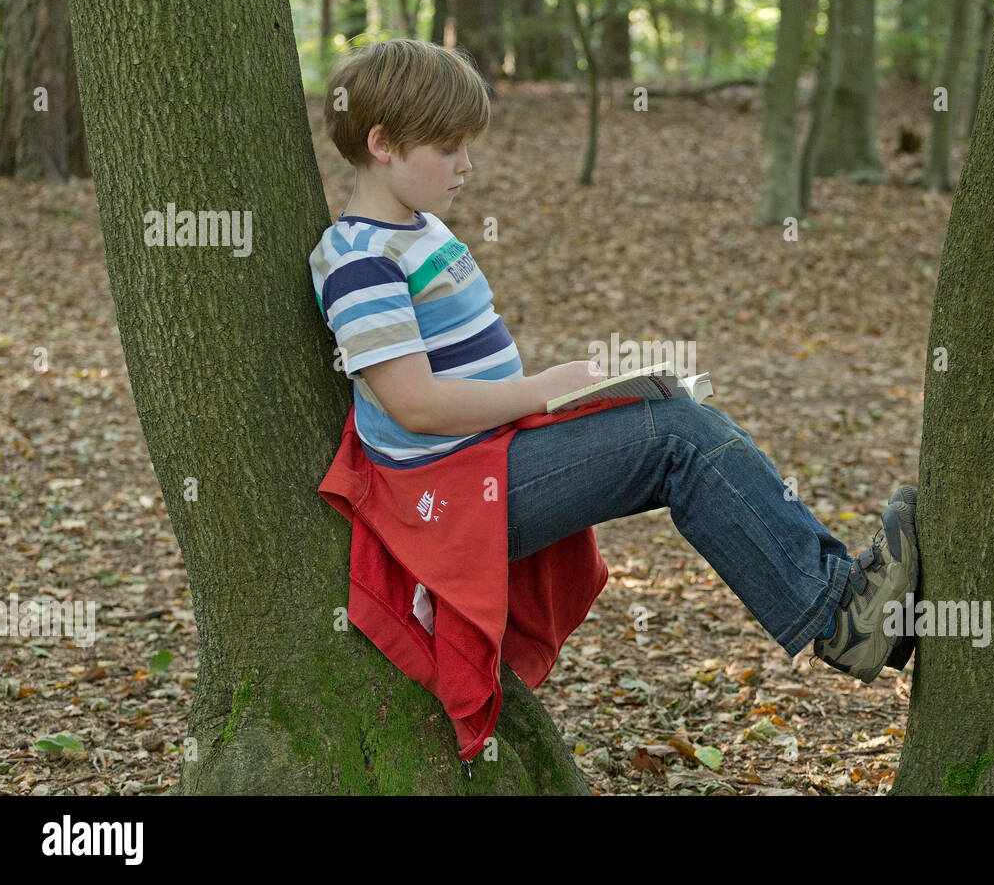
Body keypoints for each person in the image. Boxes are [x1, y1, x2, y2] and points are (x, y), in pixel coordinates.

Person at [309, 38, 921, 683]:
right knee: (679, 441)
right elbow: (415, 404)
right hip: (452, 493)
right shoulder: (361, 262)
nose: (466, 165)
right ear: (382, 145)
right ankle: (840, 621)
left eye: (469, 145)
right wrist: (545, 390)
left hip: (488, 454)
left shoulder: (417, 224)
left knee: (676, 416)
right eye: (448, 148)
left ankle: (844, 603)